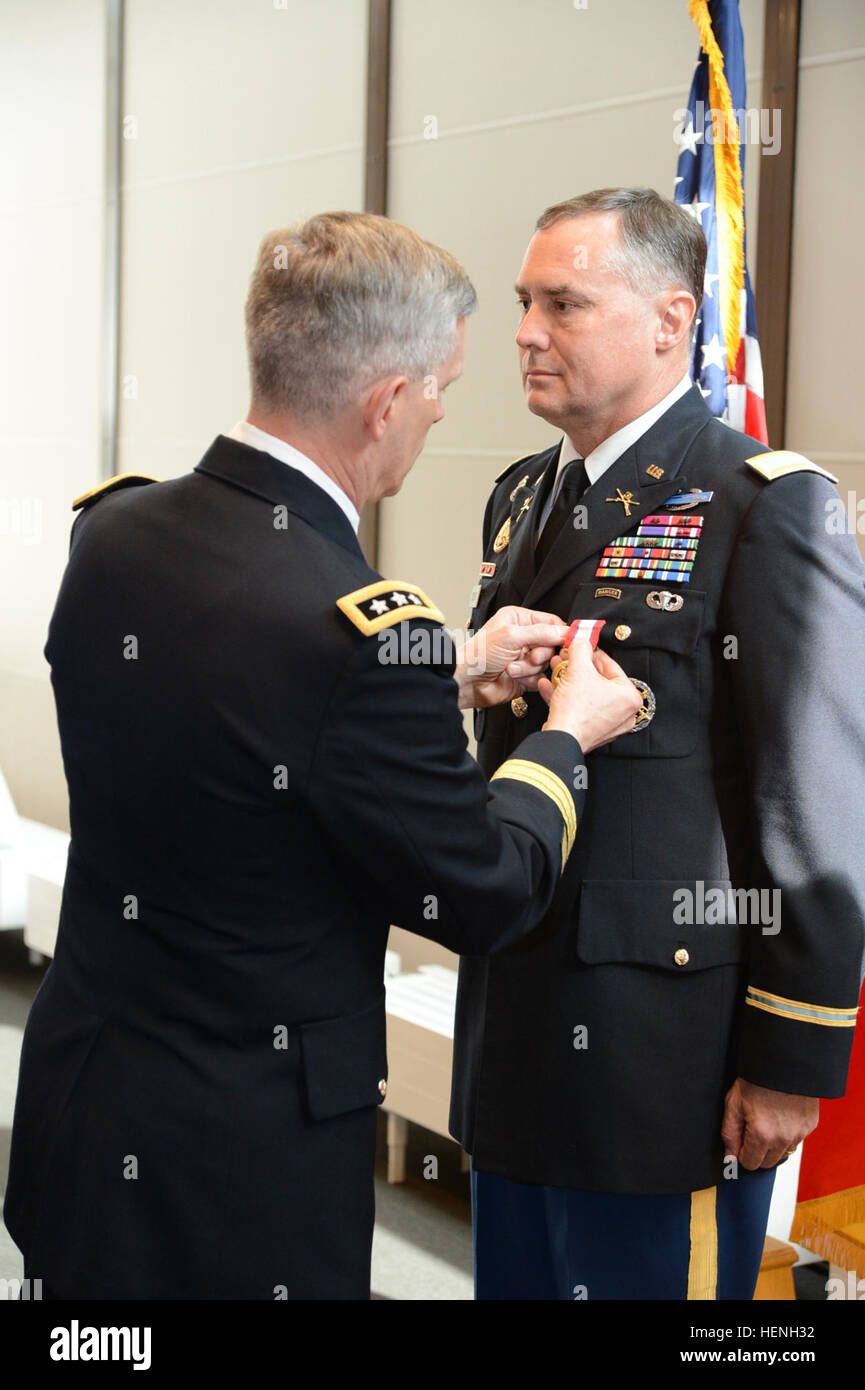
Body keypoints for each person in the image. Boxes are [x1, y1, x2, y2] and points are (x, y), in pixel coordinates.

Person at [3, 211, 640, 1301]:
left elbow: (218, 695)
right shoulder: (356, 634)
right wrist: (563, 736)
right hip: (241, 1165)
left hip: (86, 1102)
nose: (439, 411)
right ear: (384, 401)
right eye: (438, 388)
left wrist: (438, 667)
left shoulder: (114, 532)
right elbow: (480, 888)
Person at [450, 187, 865, 1300]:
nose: (528, 332)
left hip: (660, 1057)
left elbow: (816, 807)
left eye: (565, 304)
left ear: (671, 322)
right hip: (517, 1031)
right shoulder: (520, 497)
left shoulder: (763, 503)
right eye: (527, 303)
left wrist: (789, 1062)